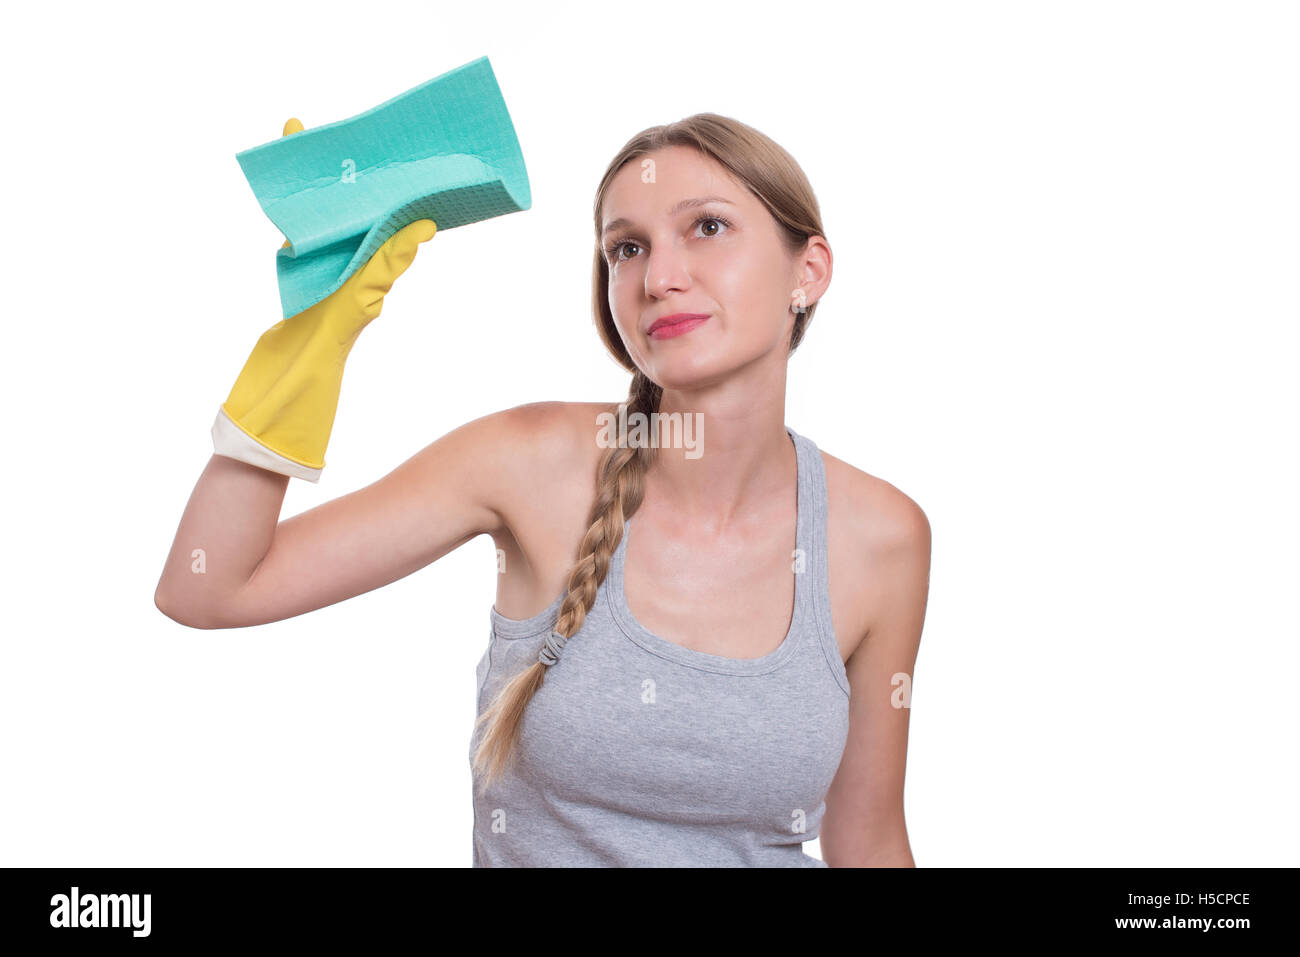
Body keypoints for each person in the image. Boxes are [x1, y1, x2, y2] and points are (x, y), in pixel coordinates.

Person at [155, 112, 931, 868]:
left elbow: (867, 845)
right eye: (626, 248)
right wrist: (305, 354)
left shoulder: (881, 537)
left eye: (708, 228)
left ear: (810, 270)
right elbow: (211, 585)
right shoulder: (526, 463)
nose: (659, 277)